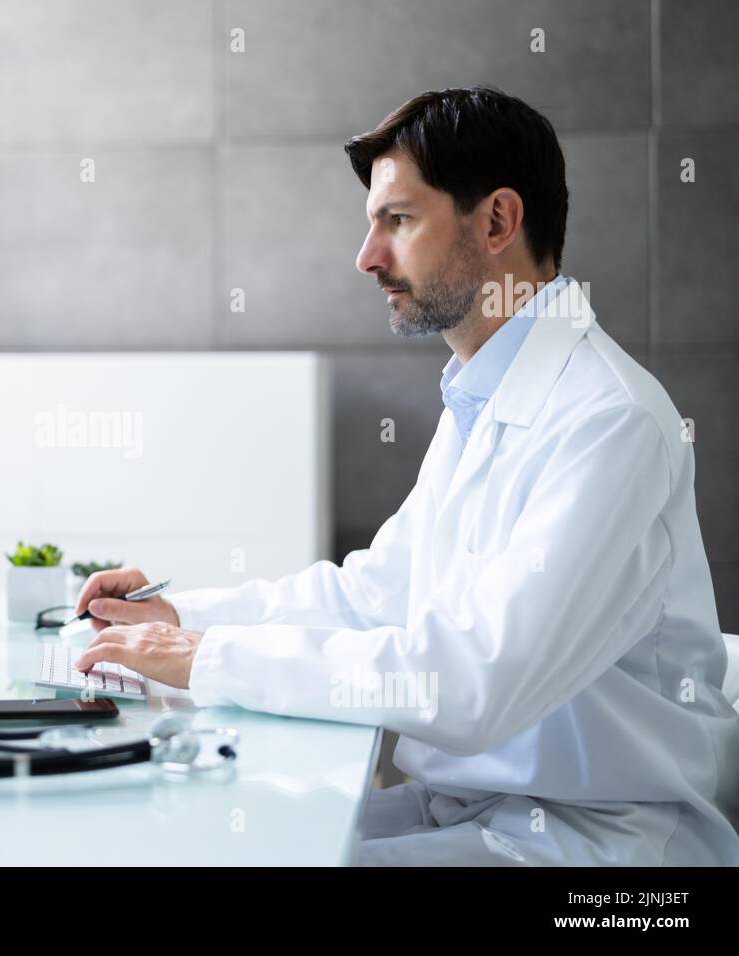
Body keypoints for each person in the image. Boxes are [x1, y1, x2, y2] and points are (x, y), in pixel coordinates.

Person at [73, 86, 739, 866]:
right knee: (213, 839)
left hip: (600, 848)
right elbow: (373, 596)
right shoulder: (485, 395)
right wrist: (184, 617)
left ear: (497, 222)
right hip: (478, 810)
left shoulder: (607, 421)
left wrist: (204, 661)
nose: (368, 257)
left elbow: (473, 682)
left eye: (399, 220)